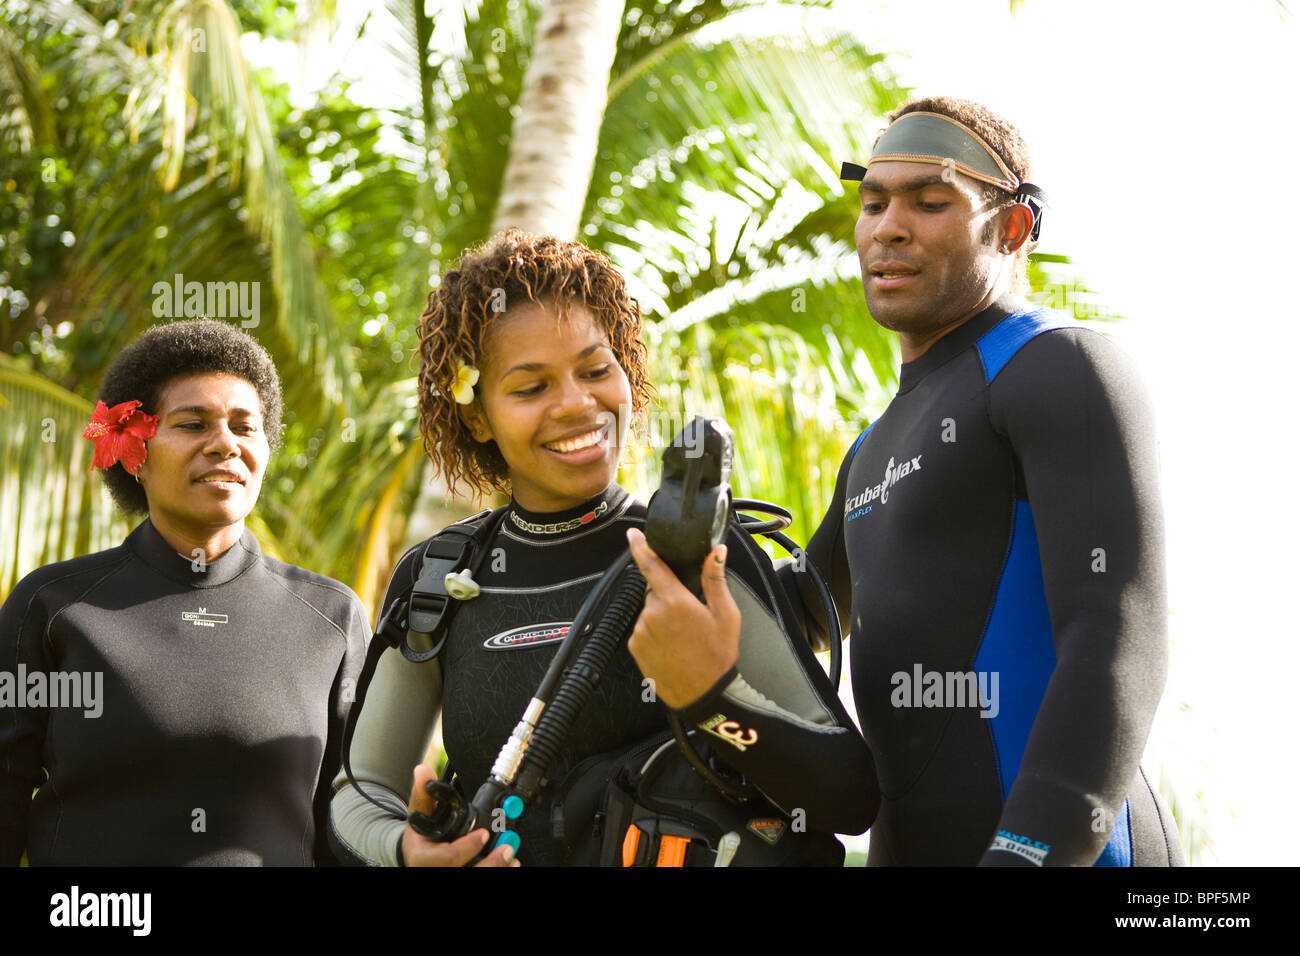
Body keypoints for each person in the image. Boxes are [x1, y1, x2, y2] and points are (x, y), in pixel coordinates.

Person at [329, 229, 877, 867]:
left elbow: (848, 795)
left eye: (595, 370)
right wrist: (407, 851)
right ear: (477, 416)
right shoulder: (439, 580)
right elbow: (360, 797)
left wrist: (711, 696)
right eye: (530, 388)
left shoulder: (699, 555)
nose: (577, 404)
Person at [794, 96, 1183, 866]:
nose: (888, 226)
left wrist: (1031, 852)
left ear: (1012, 228)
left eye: (929, 202)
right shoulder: (869, 452)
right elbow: (791, 626)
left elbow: (1117, 632)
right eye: (873, 202)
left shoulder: (1058, 366)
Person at [0, 319, 369, 866]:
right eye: (193, 423)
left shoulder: (330, 618)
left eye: (246, 427)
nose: (225, 444)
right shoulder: (54, 608)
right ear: (135, 451)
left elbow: (352, 820)